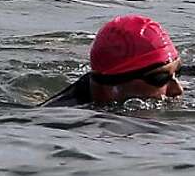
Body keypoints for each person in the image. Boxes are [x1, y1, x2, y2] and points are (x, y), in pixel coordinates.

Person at [41, 14, 183, 107]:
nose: (178, 89)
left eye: (177, 72)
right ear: (110, 88)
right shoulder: (60, 121)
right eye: (160, 78)